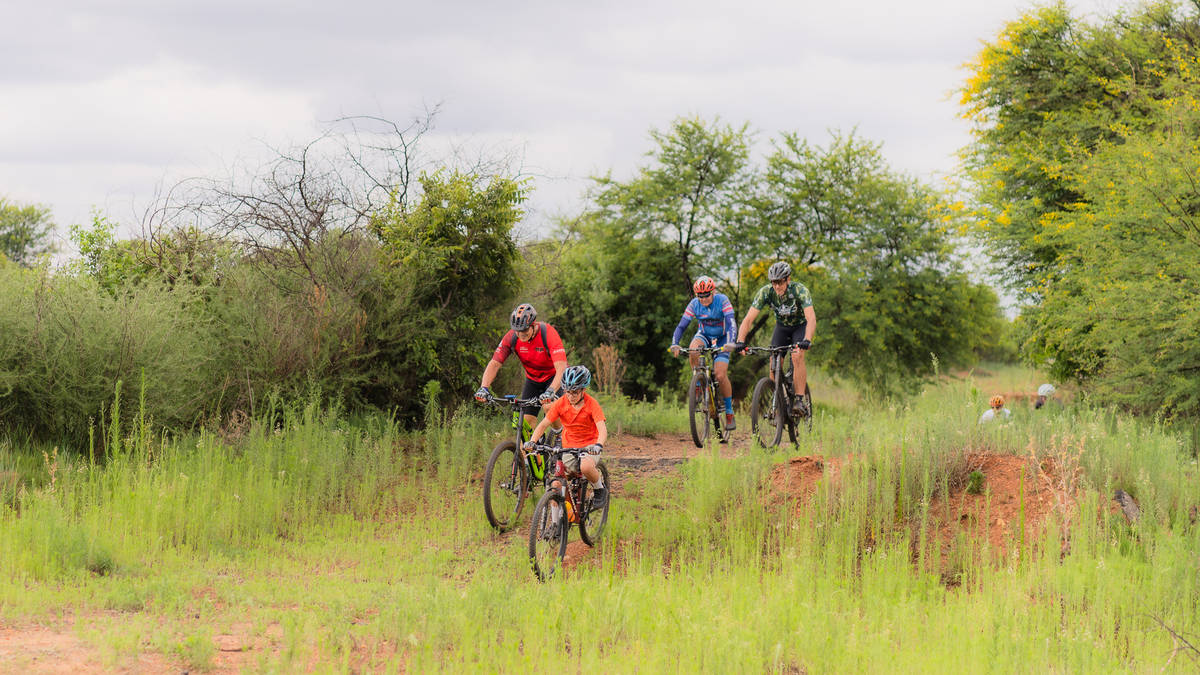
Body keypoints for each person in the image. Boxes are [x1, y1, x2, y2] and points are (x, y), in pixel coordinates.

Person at [735, 261, 816, 416]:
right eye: (774, 282)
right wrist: (740, 341)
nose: (777, 286)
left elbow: (811, 318)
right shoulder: (766, 292)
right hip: (782, 328)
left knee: (797, 355)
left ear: (788, 279)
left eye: (780, 282)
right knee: (774, 361)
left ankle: (799, 400)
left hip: (799, 327)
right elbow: (748, 319)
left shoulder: (800, 290)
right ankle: (778, 400)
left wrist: (807, 339)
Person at [475, 303, 568, 434]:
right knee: (526, 425)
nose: (521, 334)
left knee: (549, 407)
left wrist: (551, 391)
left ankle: (559, 434)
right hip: (533, 380)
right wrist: (483, 388)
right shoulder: (512, 337)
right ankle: (532, 447)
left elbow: (561, 368)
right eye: (517, 330)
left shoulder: (548, 333)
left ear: (533, 325)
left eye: (524, 330)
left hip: (554, 377)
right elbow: (495, 363)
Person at [525, 365, 608, 508]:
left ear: (583, 390)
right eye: (567, 392)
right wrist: (532, 441)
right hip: (569, 445)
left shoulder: (592, 404)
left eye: (575, 392)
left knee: (585, 467)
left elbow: (602, 429)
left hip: (590, 445)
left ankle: (599, 488)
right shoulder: (561, 403)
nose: (570, 396)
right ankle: (560, 517)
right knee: (557, 482)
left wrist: (598, 445)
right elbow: (543, 424)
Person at [670, 275, 738, 430]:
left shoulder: (722, 300)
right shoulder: (694, 304)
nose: (703, 299)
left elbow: (731, 323)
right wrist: (675, 343)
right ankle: (698, 384)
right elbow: (682, 326)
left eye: (706, 295)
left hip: (722, 338)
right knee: (693, 350)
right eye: (700, 296)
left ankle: (729, 412)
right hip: (704, 335)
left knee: (720, 375)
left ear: (713, 292)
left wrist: (731, 341)